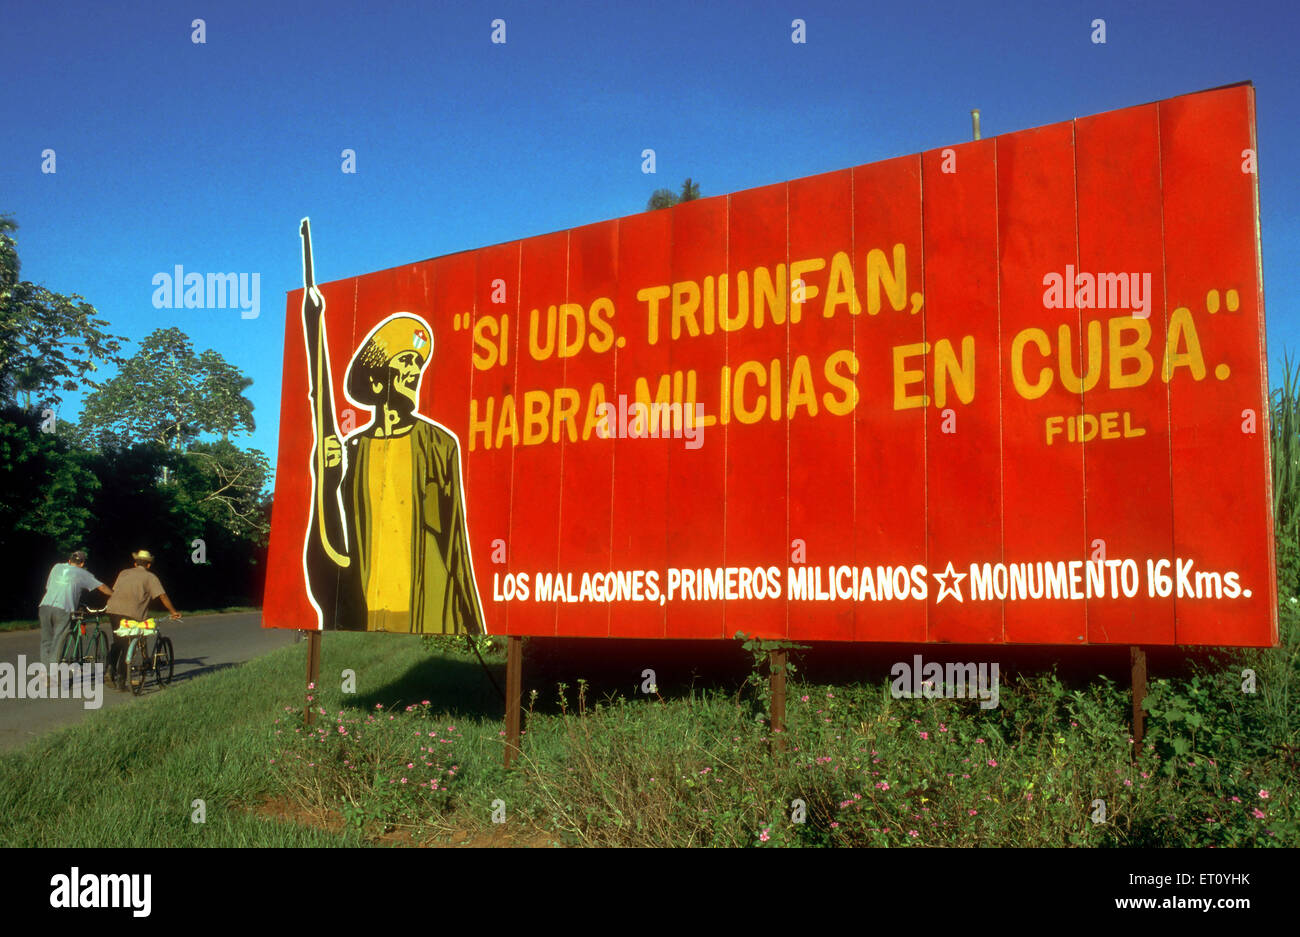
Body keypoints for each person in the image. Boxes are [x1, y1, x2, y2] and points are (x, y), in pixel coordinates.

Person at [104, 550, 181, 690]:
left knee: (118, 641)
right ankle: (121, 681)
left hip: (113, 610)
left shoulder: (123, 573)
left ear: (135, 563)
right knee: (128, 645)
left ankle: (110, 670)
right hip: (132, 613)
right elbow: (162, 596)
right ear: (149, 565)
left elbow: (116, 590)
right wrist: (173, 612)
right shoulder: (150, 577)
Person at [38, 549, 113, 670]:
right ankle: (51, 675)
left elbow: (48, 586)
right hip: (63, 608)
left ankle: (43, 672)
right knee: (58, 641)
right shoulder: (83, 573)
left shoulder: (56, 567)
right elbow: (102, 587)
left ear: (69, 560)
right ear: (82, 564)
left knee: (46, 640)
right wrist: (115, 595)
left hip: (45, 606)